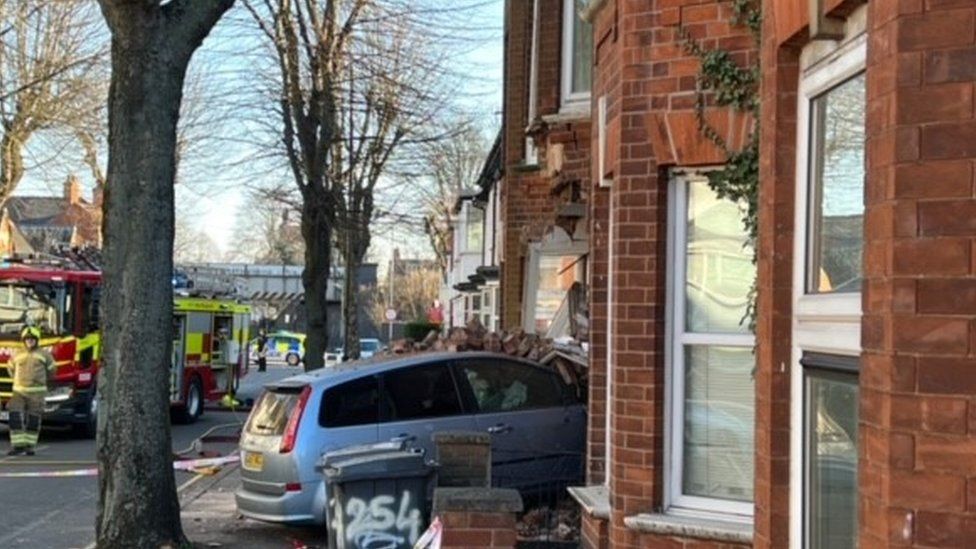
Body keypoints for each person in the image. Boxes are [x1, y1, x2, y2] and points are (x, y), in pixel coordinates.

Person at [7, 326, 55, 456]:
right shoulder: (17, 354)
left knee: (33, 420)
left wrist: (42, 383)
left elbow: (52, 372)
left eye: (32, 339)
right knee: (15, 417)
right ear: (23, 340)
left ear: (37, 340)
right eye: (27, 339)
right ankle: (18, 446)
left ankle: (30, 446)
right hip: (19, 392)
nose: (30, 341)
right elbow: (10, 368)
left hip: (37, 393)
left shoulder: (45, 355)